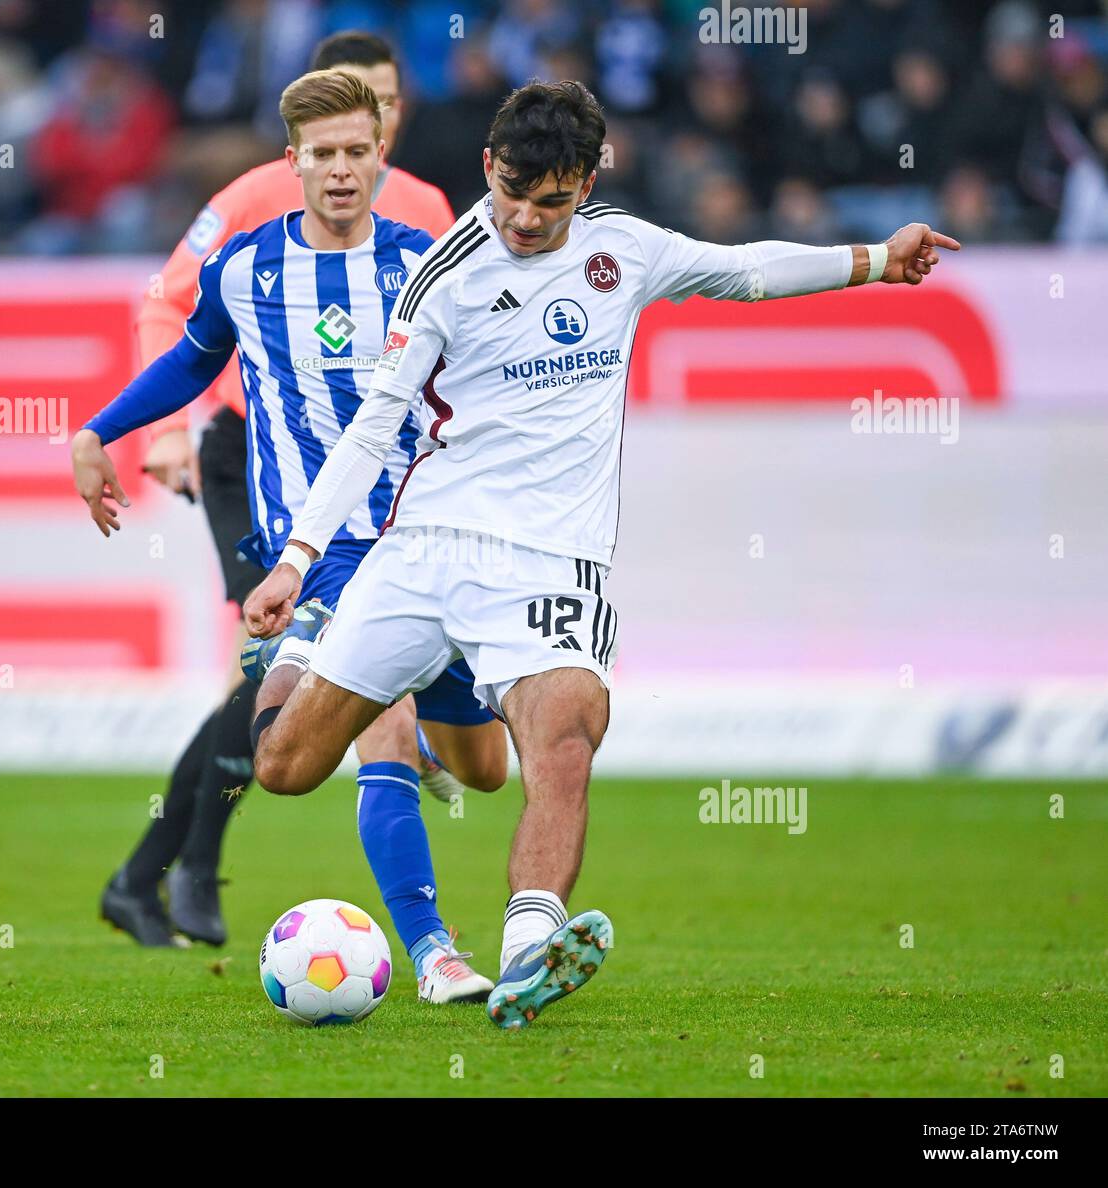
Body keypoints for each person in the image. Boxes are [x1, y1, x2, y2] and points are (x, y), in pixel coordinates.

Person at [240, 80, 962, 1030]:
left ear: (585, 183)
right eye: (516, 197)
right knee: (285, 768)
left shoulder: (623, 248)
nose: (531, 221)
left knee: (567, 730)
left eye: (555, 201)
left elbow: (743, 271)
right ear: (488, 168)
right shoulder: (443, 277)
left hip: (548, 561)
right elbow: (375, 431)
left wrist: (875, 259)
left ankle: (528, 956)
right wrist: (296, 562)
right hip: (425, 548)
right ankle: (290, 657)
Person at [72, 68, 508, 1004]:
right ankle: (435, 955)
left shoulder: (427, 265)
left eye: (358, 152)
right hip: (325, 550)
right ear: (293, 162)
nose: (342, 170)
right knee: (378, 728)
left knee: (488, 767)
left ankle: (374, 722)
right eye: (324, 155)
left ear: (381, 156)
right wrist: (100, 431)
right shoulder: (245, 267)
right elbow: (190, 359)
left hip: (437, 538)